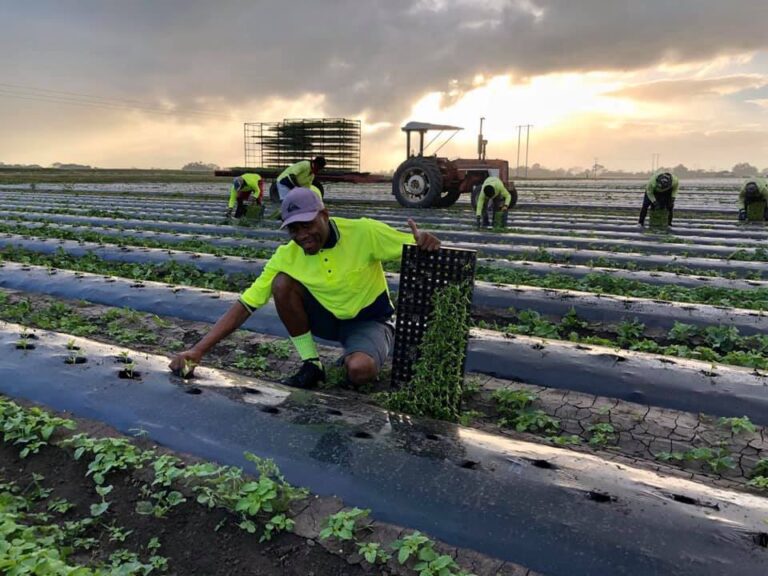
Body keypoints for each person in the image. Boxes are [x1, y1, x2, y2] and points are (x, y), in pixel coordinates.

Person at [170, 187, 441, 389]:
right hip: (326, 319)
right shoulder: (287, 255)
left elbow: (414, 244)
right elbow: (246, 305)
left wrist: (423, 241)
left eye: (308, 225)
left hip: (369, 319)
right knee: (281, 283)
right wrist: (198, 350)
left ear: (324, 215)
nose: (302, 236)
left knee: (360, 370)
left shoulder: (364, 232)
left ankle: (357, 353)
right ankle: (312, 365)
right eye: (294, 229)